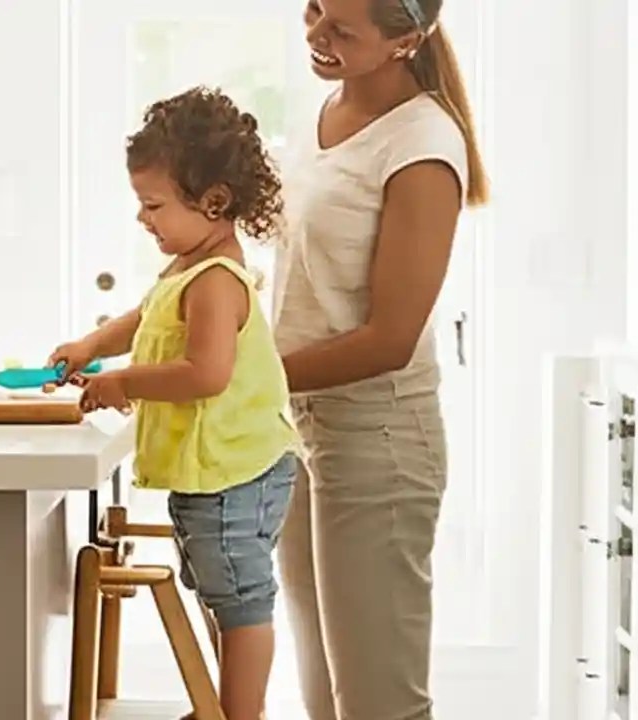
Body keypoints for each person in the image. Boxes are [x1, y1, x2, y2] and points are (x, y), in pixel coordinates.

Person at [48, 86, 299, 720]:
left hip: (236, 470)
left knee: (240, 599)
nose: (144, 218)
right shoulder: (188, 267)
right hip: (217, 470)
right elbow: (144, 318)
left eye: (153, 204)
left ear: (214, 202)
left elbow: (207, 373)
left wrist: (124, 383)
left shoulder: (216, 282)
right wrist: (90, 346)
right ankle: (228, 706)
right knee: (222, 591)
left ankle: (242, 714)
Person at [272, 0, 490, 718]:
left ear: (407, 39)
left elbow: (390, 338)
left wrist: (246, 378)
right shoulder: (321, 117)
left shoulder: (423, 144)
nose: (316, 35)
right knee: (325, 698)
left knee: (377, 702)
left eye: (342, 30)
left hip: (378, 442)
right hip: (304, 430)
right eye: (313, 10)